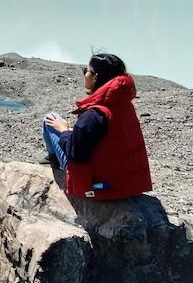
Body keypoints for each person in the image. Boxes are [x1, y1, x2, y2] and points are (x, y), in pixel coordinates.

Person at [41, 53, 153, 200]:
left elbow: (76, 154)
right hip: (123, 184)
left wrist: (63, 131)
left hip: (96, 187)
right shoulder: (124, 105)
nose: (84, 74)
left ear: (95, 77)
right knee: (70, 131)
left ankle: (55, 161)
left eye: (86, 71)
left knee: (50, 118)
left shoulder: (95, 114)